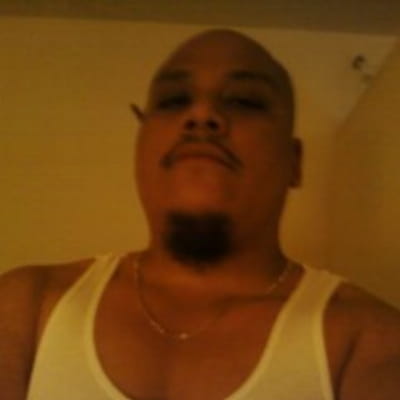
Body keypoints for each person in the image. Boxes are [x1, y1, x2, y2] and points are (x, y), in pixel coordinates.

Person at [0, 29, 399, 400]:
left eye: (244, 101)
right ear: (140, 144)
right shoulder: (24, 307)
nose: (202, 113)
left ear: (294, 162)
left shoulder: (369, 339)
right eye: (174, 100)